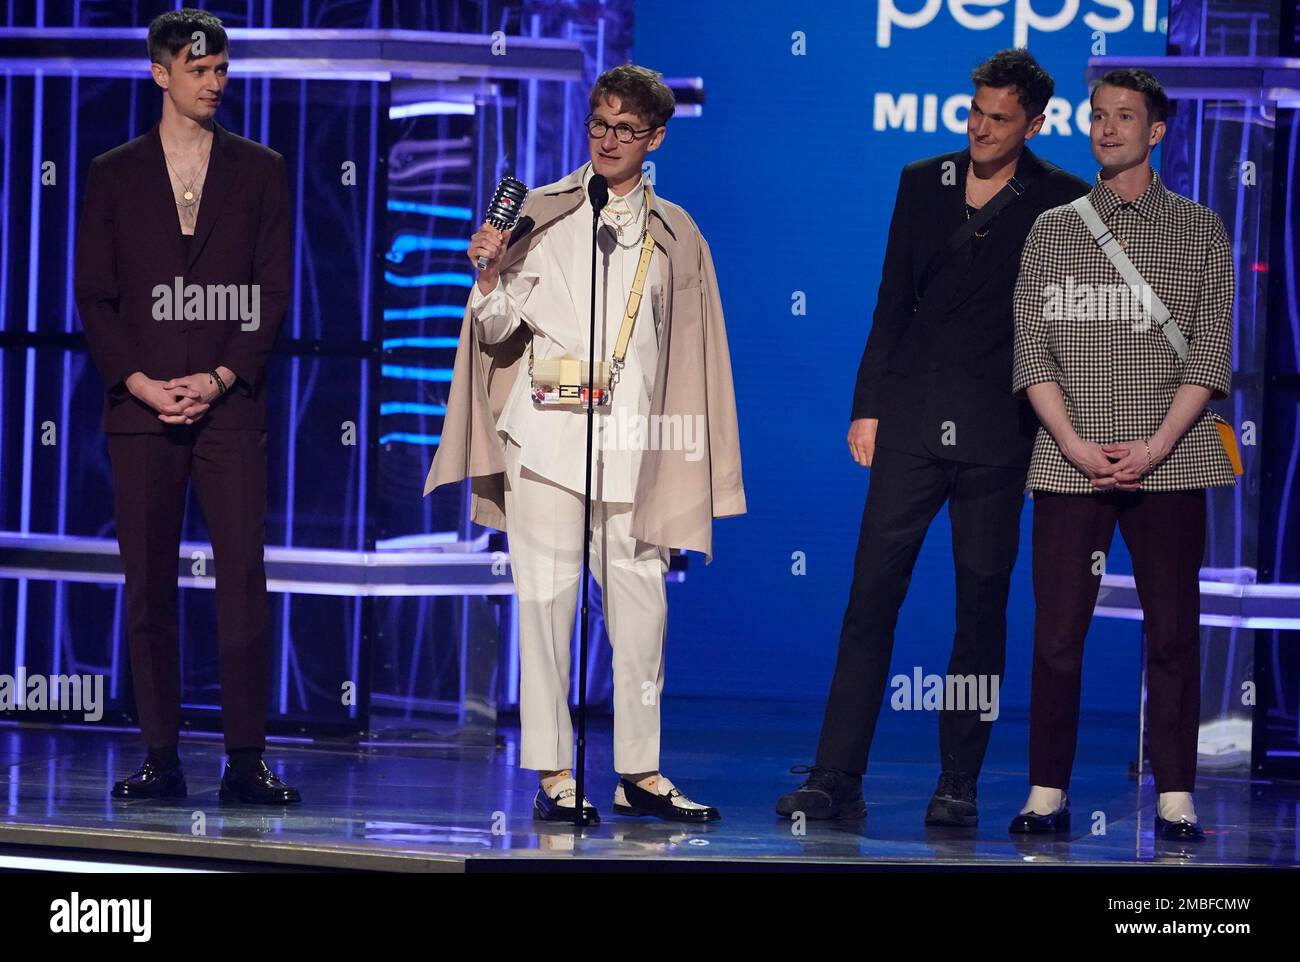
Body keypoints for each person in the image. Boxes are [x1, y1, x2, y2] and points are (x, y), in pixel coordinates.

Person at [425, 64, 745, 823]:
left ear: (656, 138)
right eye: (599, 124)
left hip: (634, 446)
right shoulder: (541, 213)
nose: (608, 140)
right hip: (546, 443)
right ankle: (555, 776)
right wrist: (488, 276)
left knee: (641, 615)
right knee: (545, 606)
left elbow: (693, 354)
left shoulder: (676, 234)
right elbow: (498, 333)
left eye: (626, 130)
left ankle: (640, 770)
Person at [777, 49, 1089, 825]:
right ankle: (836, 775)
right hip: (911, 419)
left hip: (1000, 431)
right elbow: (892, 302)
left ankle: (958, 782)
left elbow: (1058, 331)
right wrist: (867, 406)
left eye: (1000, 118)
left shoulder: (1063, 200)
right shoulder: (924, 181)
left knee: (979, 611)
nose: (982, 128)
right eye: (975, 112)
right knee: (868, 600)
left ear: (1037, 123)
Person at [75, 8, 299, 804]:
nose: (214, 82)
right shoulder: (113, 172)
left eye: (221, 69)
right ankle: (160, 754)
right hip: (140, 410)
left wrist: (223, 376)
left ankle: (246, 757)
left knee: (243, 579)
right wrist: (139, 383)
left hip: (230, 410)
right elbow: (96, 299)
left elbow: (272, 291)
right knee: (148, 587)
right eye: (199, 69)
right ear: (160, 73)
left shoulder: (260, 168)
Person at [1008, 68, 1236, 841]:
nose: (1107, 129)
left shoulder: (1201, 229)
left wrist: (1156, 446)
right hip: (1069, 459)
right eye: (1099, 116)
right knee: (1057, 635)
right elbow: (1031, 352)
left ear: (1157, 130)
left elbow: (1209, 357)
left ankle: (1176, 796)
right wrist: (1072, 443)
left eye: (1125, 117)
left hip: (1171, 460)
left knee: (1172, 633)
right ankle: (1047, 792)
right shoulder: (1053, 228)